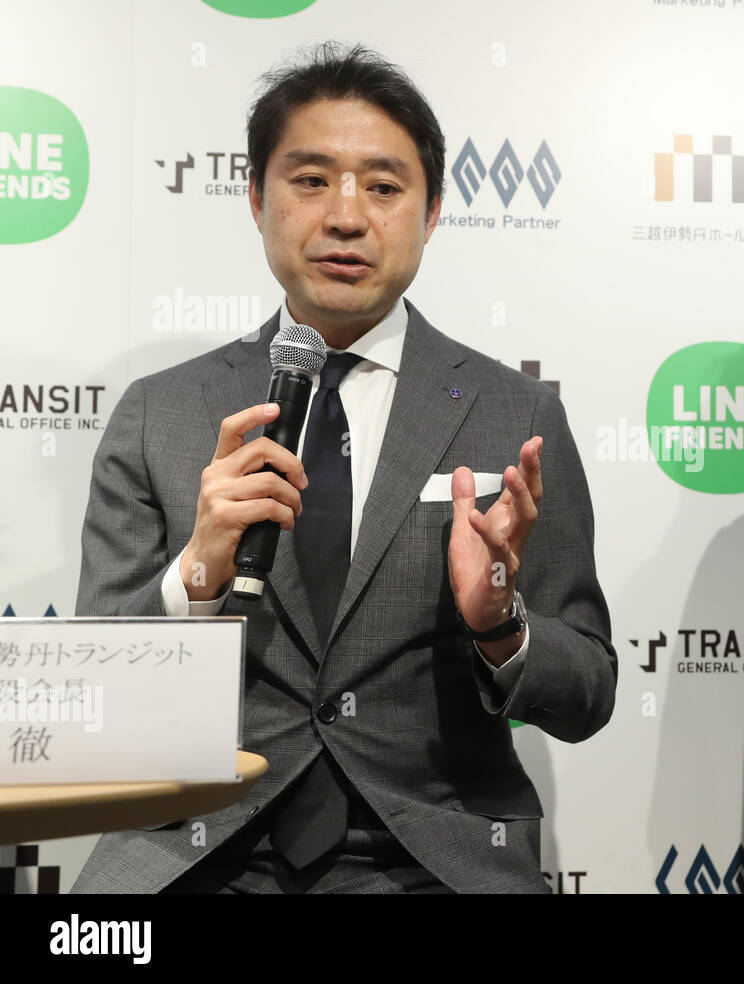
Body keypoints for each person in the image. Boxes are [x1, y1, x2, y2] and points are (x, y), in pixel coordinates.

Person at [71, 42, 616, 894]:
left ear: (432, 212)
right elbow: (90, 711)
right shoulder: (159, 413)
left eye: (385, 186)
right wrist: (196, 575)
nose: (347, 216)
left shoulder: (516, 414)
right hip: (199, 850)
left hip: (429, 858)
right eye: (311, 180)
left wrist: (500, 623)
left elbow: (588, 693)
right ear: (256, 199)